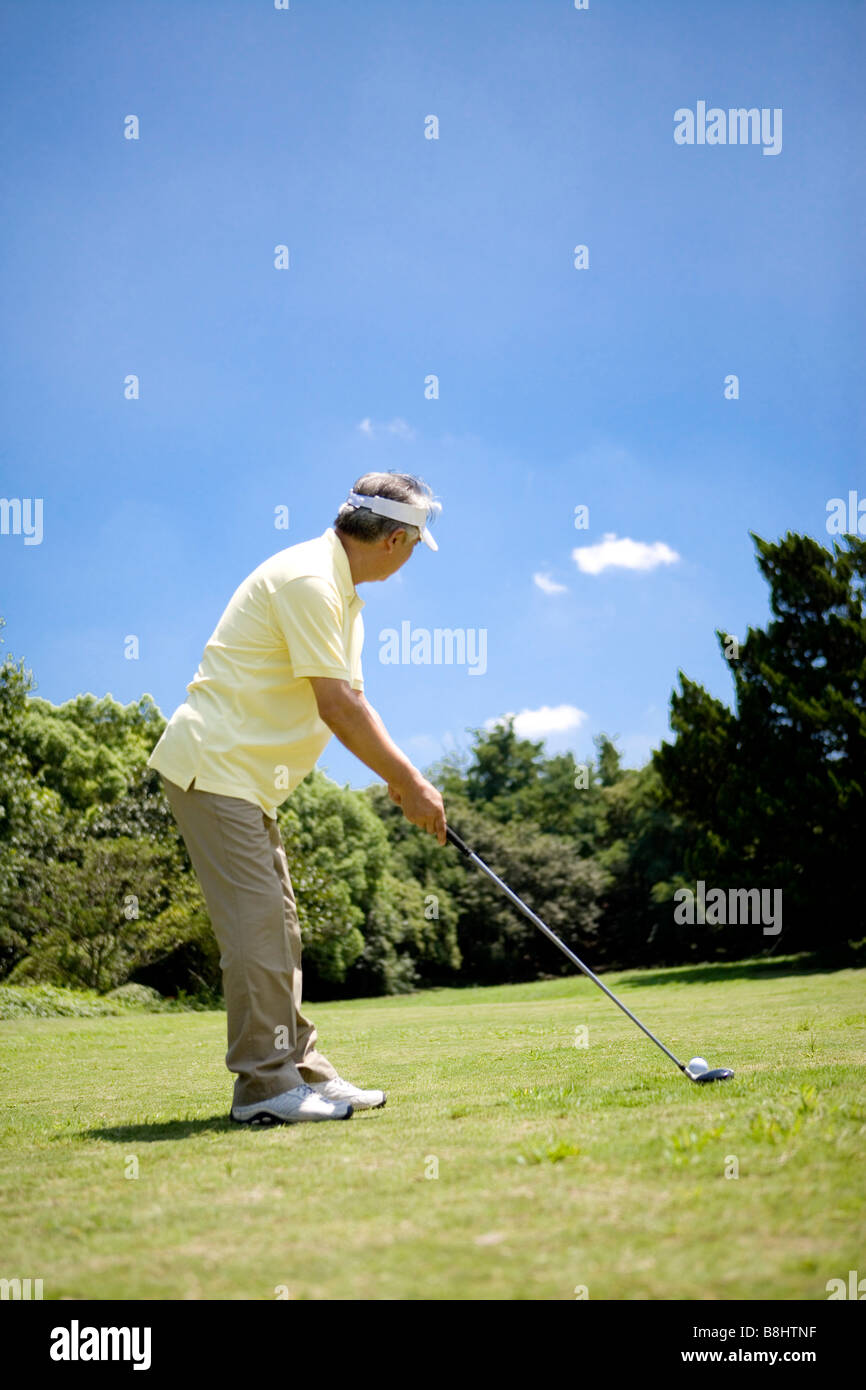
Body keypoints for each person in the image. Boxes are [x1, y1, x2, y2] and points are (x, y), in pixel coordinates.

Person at [147, 472, 447, 1125]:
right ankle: (262, 1089)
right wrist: (413, 784)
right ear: (395, 540)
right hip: (213, 769)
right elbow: (335, 706)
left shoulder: (342, 597)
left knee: (278, 930)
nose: (411, 558)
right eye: (417, 545)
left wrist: (400, 779)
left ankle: (302, 1071)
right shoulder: (312, 581)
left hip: (245, 783)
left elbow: (354, 704)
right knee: (258, 933)